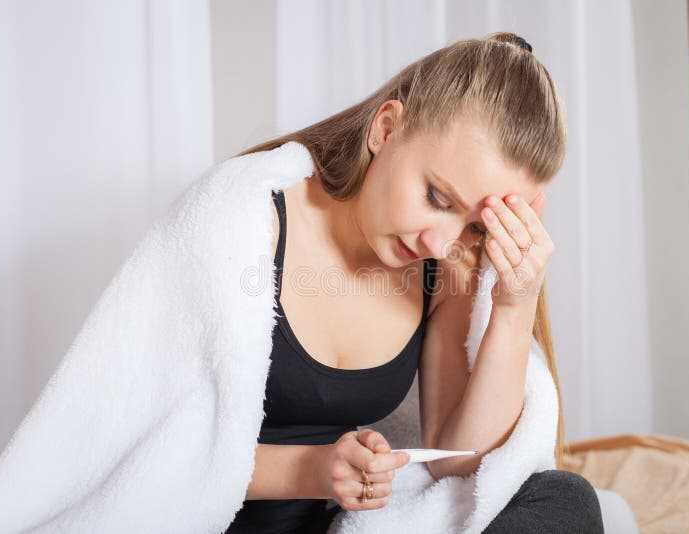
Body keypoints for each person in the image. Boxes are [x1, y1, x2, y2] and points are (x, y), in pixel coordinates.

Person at [224, 32, 604, 533]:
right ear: (385, 129)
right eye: (437, 198)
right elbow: (153, 446)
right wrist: (312, 469)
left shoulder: (446, 268)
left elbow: (458, 460)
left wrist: (515, 308)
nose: (438, 241)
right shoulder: (246, 221)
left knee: (567, 500)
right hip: (216, 521)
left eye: (476, 226)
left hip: (336, 523)